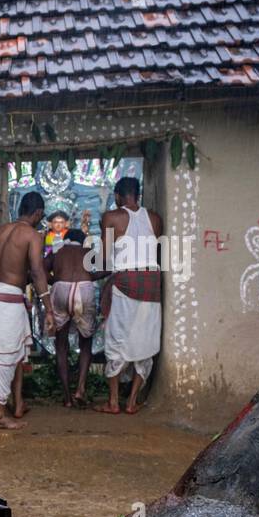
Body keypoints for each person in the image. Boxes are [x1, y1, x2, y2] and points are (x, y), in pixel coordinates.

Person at [0, 192, 55, 430]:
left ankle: (18, 403)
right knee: (5, 356)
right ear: (38, 213)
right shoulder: (32, 235)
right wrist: (49, 308)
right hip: (9, 298)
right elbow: (37, 271)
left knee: (18, 350)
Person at [97, 176, 164, 415]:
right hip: (152, 283)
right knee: (145, 338)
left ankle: (113, 401)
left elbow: (104, 257)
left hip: (125, 281)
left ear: (117, 196)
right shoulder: (155, 219)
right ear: (138, 194)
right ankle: (132, 402)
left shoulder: (111, 217)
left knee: (117, 339)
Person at [49, 228, 109, 408]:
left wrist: (58, 280)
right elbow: (103, 269)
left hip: (60, 289)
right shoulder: (87, 252)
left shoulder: (58, 252)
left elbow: (40, 271)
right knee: (86, 342)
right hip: (84, 288)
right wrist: (91, 277)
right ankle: (81, 389)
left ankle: (67, 397)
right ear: (83, 241)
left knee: (61, 344)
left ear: (66, 240)